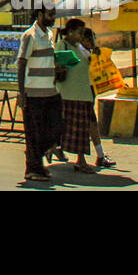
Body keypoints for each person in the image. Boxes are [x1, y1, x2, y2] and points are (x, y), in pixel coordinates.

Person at [17, 3, 62, 182]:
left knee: (54, 127)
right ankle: (33, 169)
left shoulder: (50, 35)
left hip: (51, 91)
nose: (53, 18)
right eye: (50, 15)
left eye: (54, 15)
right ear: (40, 15)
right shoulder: (30, 36)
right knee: (34, 133)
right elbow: (21, 64)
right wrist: (22, 93)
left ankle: (45, 155)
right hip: (34, 93)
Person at [57, 19, 99, 174]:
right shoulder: (63, 45)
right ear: (70, 32)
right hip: (69, 93)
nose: (82, 35)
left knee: (82, 129)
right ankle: (74, 158)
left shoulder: (81, 48)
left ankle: (79, 159)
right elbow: (60, 67)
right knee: (68, 127)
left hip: (84, 92)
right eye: (79, 32)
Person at [80, 27, 116, 169]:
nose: (91, 42)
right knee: (89, 123)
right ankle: (97, 156)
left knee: (89, 123)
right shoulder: (81, 53)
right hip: (81, 91)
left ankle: (99, 155)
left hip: (90, 89)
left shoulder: (91, 52)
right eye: (89, 40)